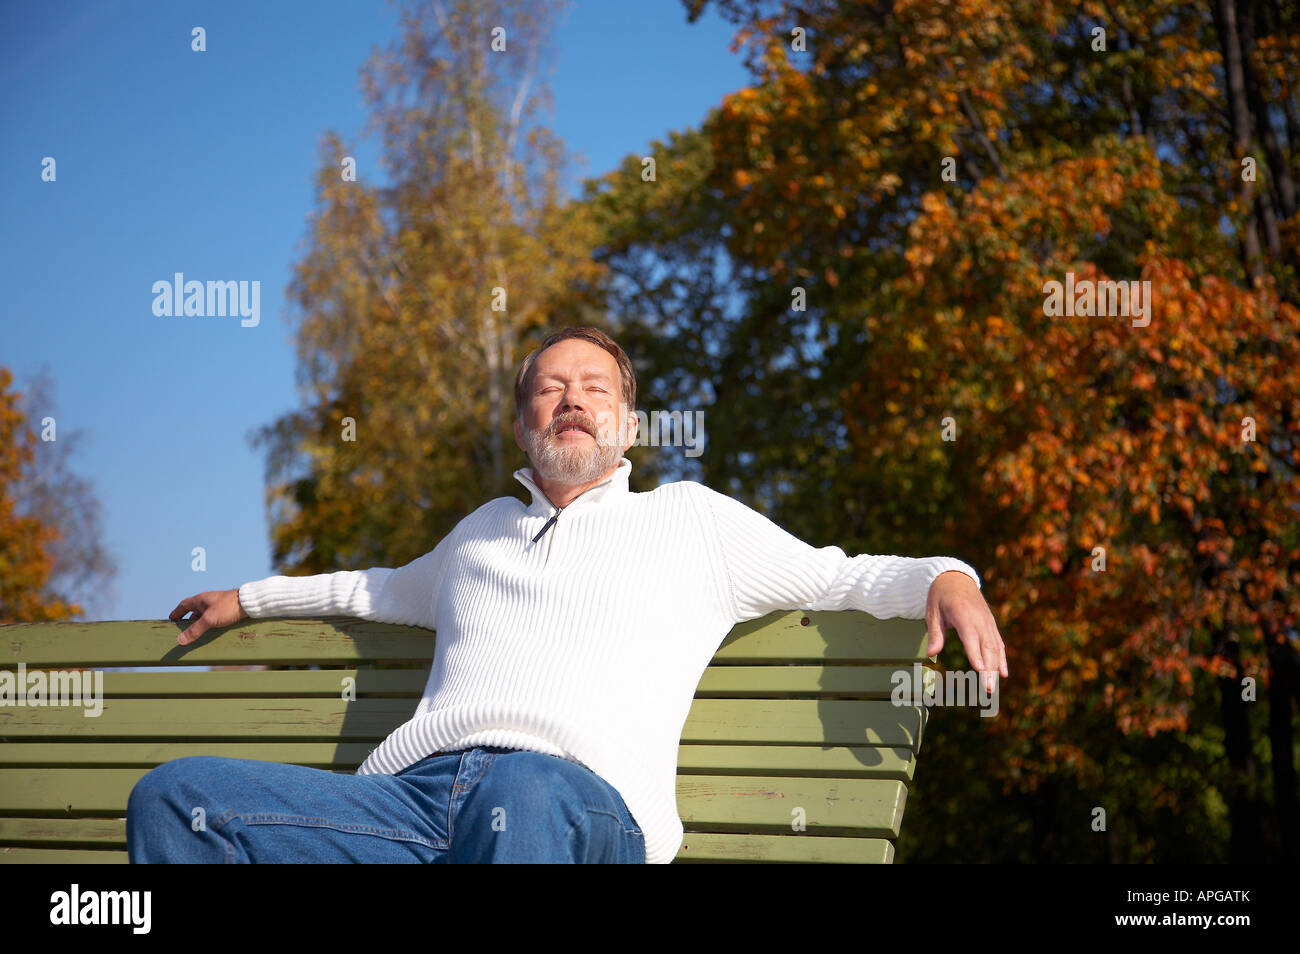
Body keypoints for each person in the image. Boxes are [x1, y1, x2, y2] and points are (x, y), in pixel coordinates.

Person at [127, 326, 1007, 864]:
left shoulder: (692, 522)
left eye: (594, 388)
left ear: (627, 426)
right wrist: (249, 595)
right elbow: (375, 588)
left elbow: (840, 573)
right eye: (549, 388)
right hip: (407, 805)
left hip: (571, 813)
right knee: (177, 799)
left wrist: (949, 575)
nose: (571, 400)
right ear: (524, 425)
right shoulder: (477, 535)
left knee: (529, 791)